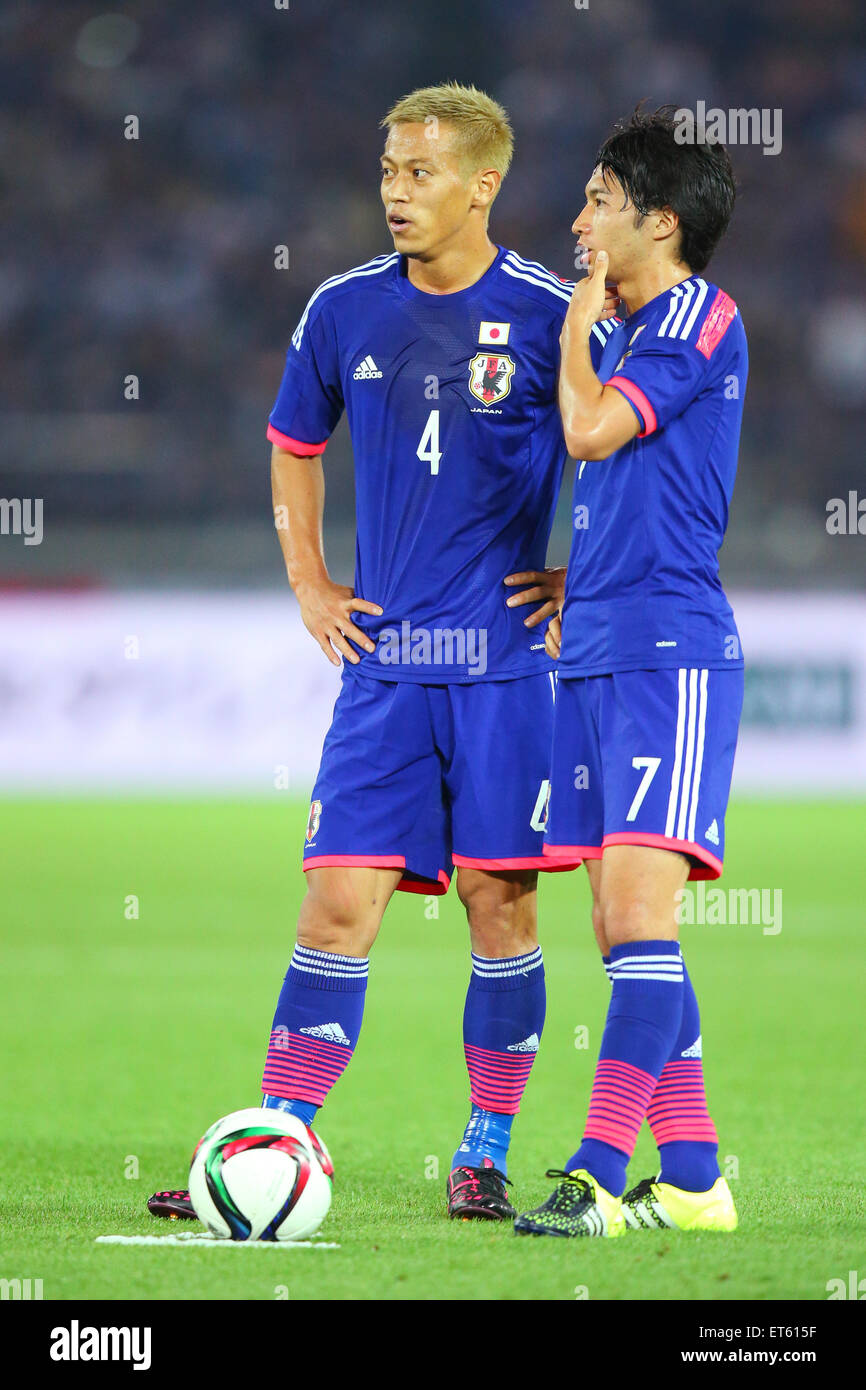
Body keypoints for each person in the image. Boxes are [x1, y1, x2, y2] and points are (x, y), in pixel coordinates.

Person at [148, 81, 604, 1226]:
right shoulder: (341, 310)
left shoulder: (555, 314)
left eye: (420, 173)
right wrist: (307, 580)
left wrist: (580, 574)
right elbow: (292, 445)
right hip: (385, 669)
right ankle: (274, 1141)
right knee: (333, 907)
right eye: (388, 171)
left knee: (500, 912)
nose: (394, 193)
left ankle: (484, 1148)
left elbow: (624, 449)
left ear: (481, 184)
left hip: (506, 671)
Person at [514, 106, 747, 1237]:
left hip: (671, 654)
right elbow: (627, 482)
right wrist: (578, 577)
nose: (577, 225)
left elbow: (591, 434)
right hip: (602, 644)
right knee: (617, 925)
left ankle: (597, 1170)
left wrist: (569, 322)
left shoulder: (698, 313)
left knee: (638, 916)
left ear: (660, 220)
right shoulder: (630, 328)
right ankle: (695, 1180)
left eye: (598, 202)